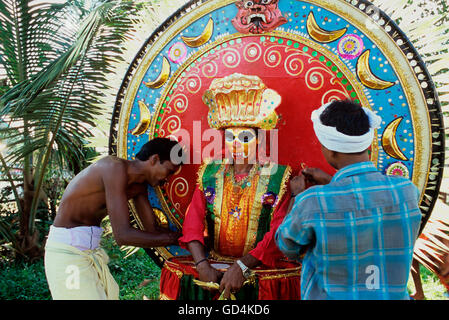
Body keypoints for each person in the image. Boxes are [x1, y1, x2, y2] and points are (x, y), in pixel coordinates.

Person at [159, 73, 302, 300]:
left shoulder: (278, 177)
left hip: (257, 266)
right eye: (229, 137)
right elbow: (193, 224)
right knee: (176, 271)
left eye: (245, 137)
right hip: (213, 262)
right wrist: (202, 264)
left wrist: (243, 266)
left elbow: (278, 232)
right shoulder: (209, 173)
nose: (236, 145)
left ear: (259, 140)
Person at [275, 99, 422, 300]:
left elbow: (287, 245)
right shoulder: (406, 192)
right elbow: (363, 204)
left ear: (331, 150)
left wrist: (296, 195)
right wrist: (330, 182)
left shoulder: (312, 202)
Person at [44, 137, 184, 300]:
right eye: (169, 171)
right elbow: (123, 235)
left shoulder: (139, 187)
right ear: (154, 159)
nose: (167, 180)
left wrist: (189, 237)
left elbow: (152, 230)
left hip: (89, 252)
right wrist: (175, 238)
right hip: (67, 253)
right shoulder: (113, 167)